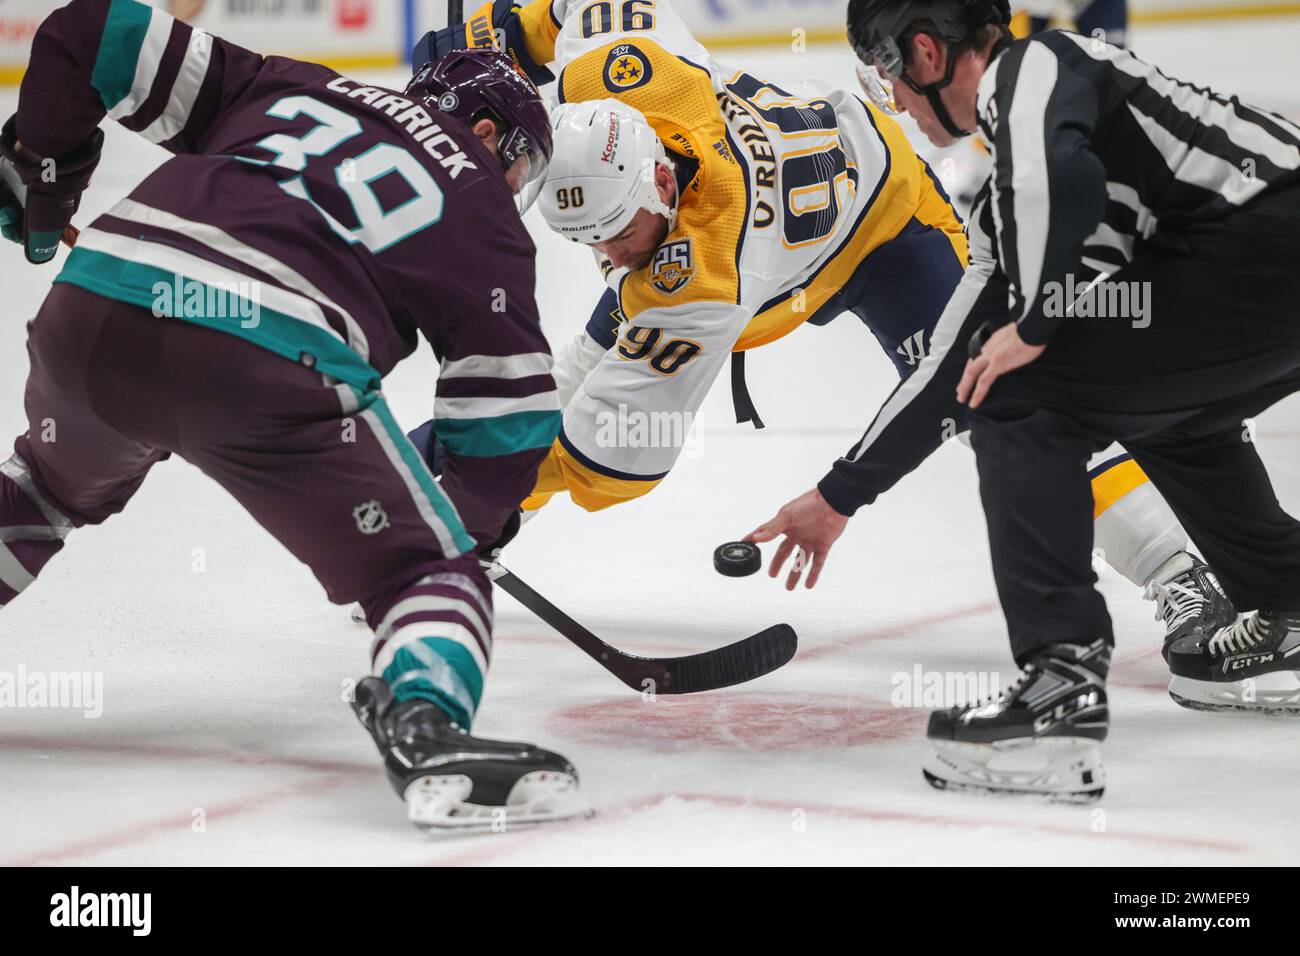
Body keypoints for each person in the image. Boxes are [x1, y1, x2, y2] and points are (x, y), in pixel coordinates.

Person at [409, 0, 1216, 652]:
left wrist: (491, 496)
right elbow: (585, 12)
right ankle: (464, 521)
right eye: (588, 241)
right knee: (577, 366)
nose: (609, 256)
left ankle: (1178, 571)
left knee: (1006, 399)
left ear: (659, 177)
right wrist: (497, 35)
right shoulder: (623, 75)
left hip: (890, 231)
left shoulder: (703, 279)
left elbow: (608, 462)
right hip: (789, 197)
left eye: (616, 233)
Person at [0, 0, 586, 830]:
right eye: (521, 163)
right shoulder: (481, 206)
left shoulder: (293, 85)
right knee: (428, 574)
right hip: (261, 358)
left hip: (89, 313)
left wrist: (42, 166)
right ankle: (426, 726)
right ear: (490, 135)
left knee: (43, 493)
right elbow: (511, 411)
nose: (515, 185)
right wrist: (466, 526)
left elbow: (89, 32)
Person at [754, 0, 1300, 798]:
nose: (895, 100)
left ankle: (1060, 692)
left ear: (928, 53)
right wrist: (839, 495)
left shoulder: (1036, 67)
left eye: (891, 74)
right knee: (1173, 414)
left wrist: (1037, 324)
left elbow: (1063, 181)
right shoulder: (1003, 202)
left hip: (1267, 239)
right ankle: (1287, 608)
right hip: (1257, 264)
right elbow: (944, 370)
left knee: (1015, 392)